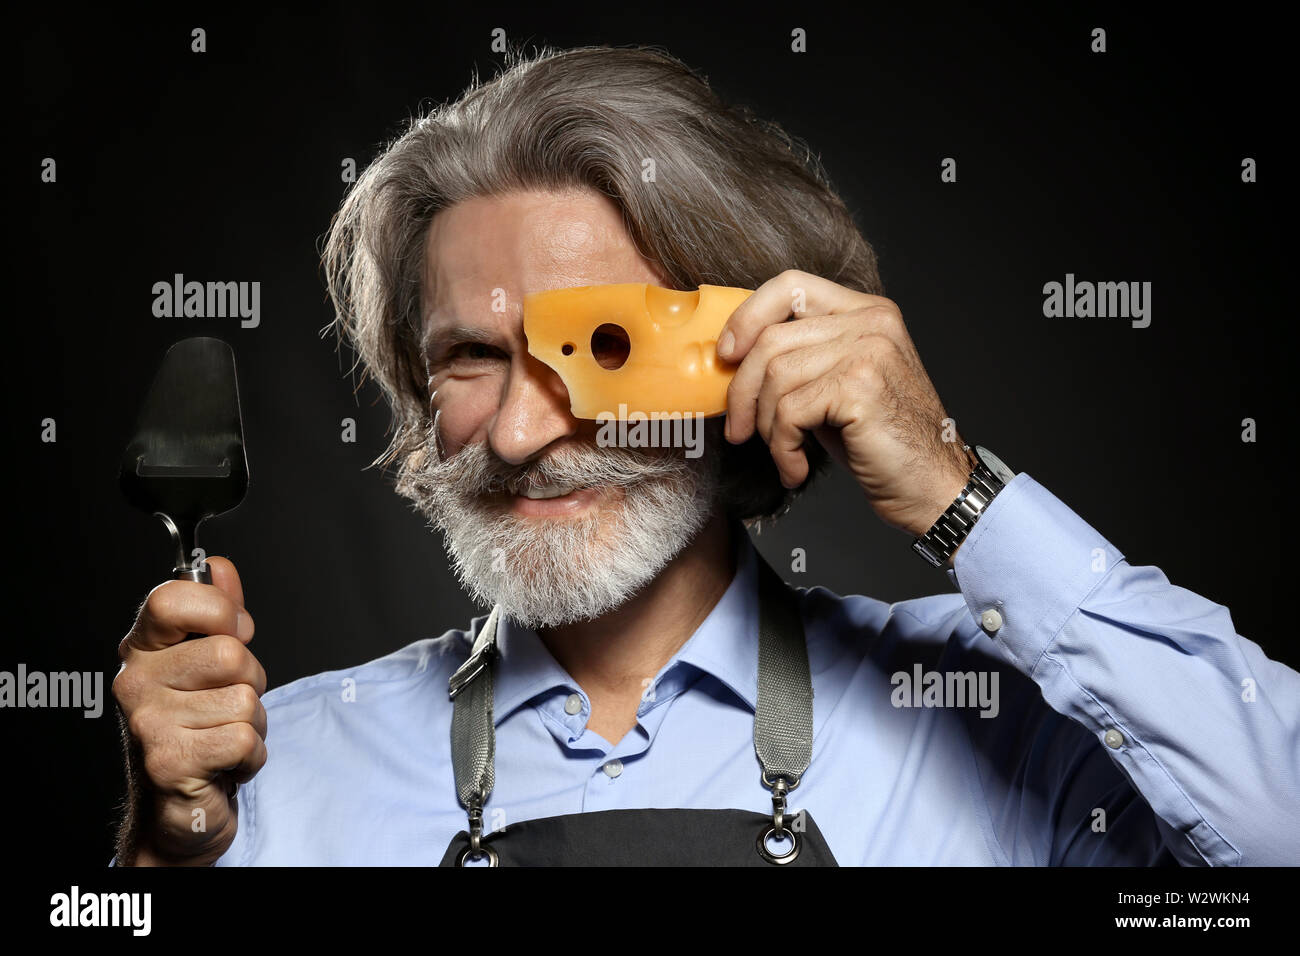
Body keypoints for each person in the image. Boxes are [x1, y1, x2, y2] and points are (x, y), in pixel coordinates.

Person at [110, 45, 1300, 867]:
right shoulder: (278, 765)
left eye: (602, 347)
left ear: (749, 352)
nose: (522, 434)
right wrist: (156, 856)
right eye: (470, 356)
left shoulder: (1000, 722)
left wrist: (957, 493)